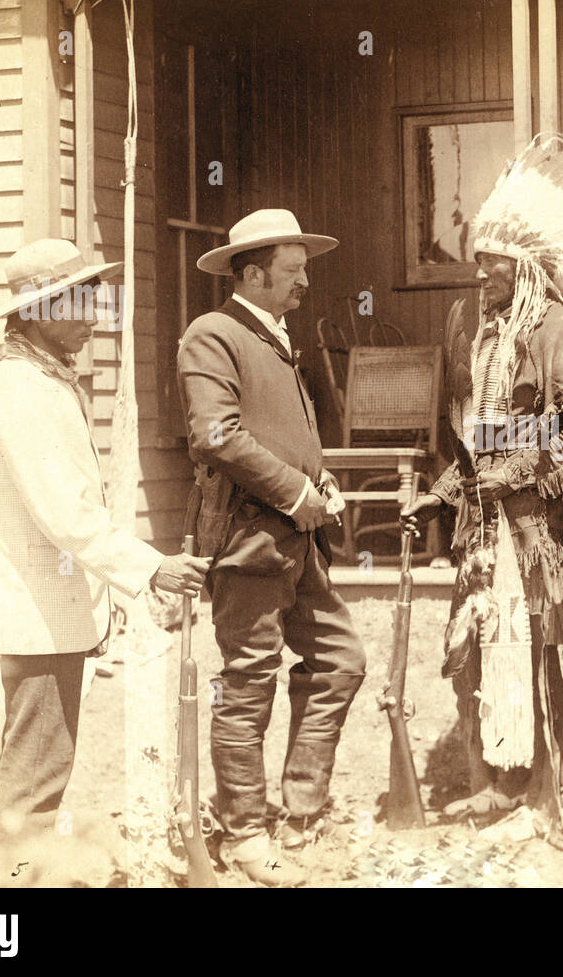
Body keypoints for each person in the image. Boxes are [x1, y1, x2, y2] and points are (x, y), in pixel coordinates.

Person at [401, 135, 563, 835]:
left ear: (528, 269)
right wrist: (446, 491)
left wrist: (510, 473)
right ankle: (504, 782)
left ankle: (552, 791)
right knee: (483, 647)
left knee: (552, 650)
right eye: (479, 269)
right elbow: (478, 437)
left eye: (495, 271)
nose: (482, 282)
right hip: (485, 529)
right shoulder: (482, 336)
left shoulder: (557, 333)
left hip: (541, 528)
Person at [0, 238, 209, 847]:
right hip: (36, 614)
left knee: (36, 766)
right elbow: (65, 514)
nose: (92, 315)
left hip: (51, 612)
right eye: (76, 301)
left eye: (92, 297)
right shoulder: (23, 390)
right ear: (37, 312)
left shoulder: (48, 383)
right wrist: (152, 567)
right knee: (35, 775)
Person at [178, 209, 364, 886]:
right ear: (252, 274)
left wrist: (321, 481)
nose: (305, 281)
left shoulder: (275, 337)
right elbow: (216, 435)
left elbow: (279, 433)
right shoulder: (213, 335)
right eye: (293, 270)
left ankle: (302, 812)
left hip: (299, 537)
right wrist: (293, 491)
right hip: (247, 541)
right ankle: (245, 834)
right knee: (246, 685)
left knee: (341, 661)